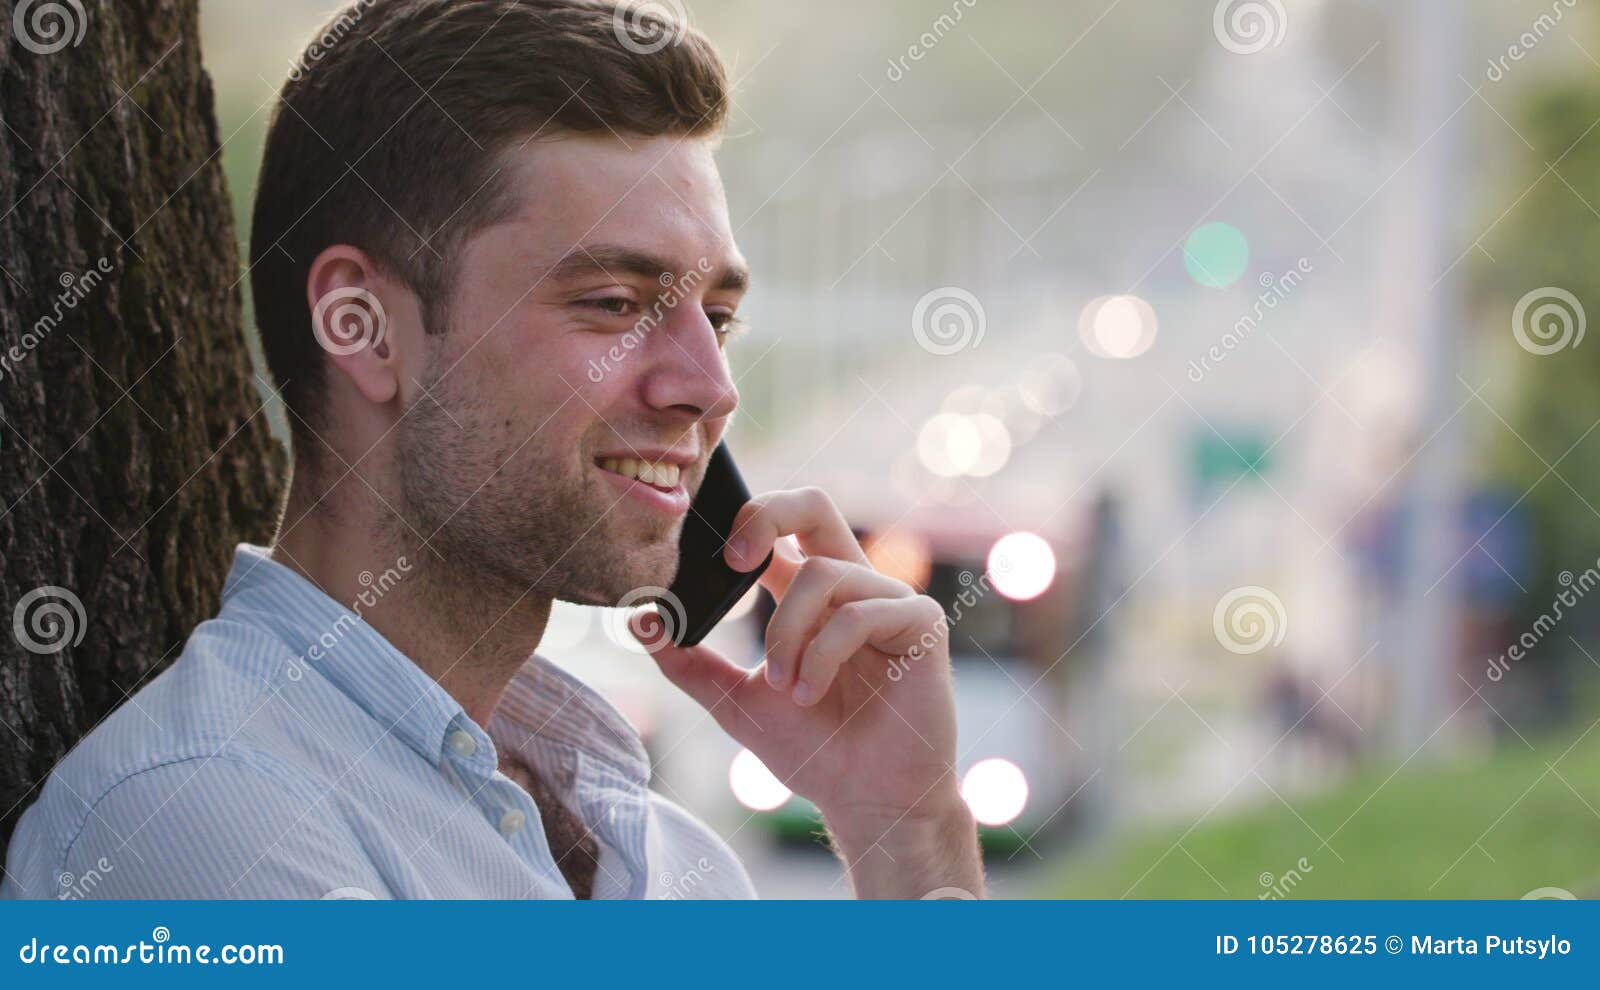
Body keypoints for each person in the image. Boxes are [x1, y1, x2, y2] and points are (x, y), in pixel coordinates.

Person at [1, 0, 982, 900]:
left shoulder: (675, 862)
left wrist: (909, 833)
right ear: (365, 327)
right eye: (614, 304)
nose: (711, 387)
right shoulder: (201, 822)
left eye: (715, 316)